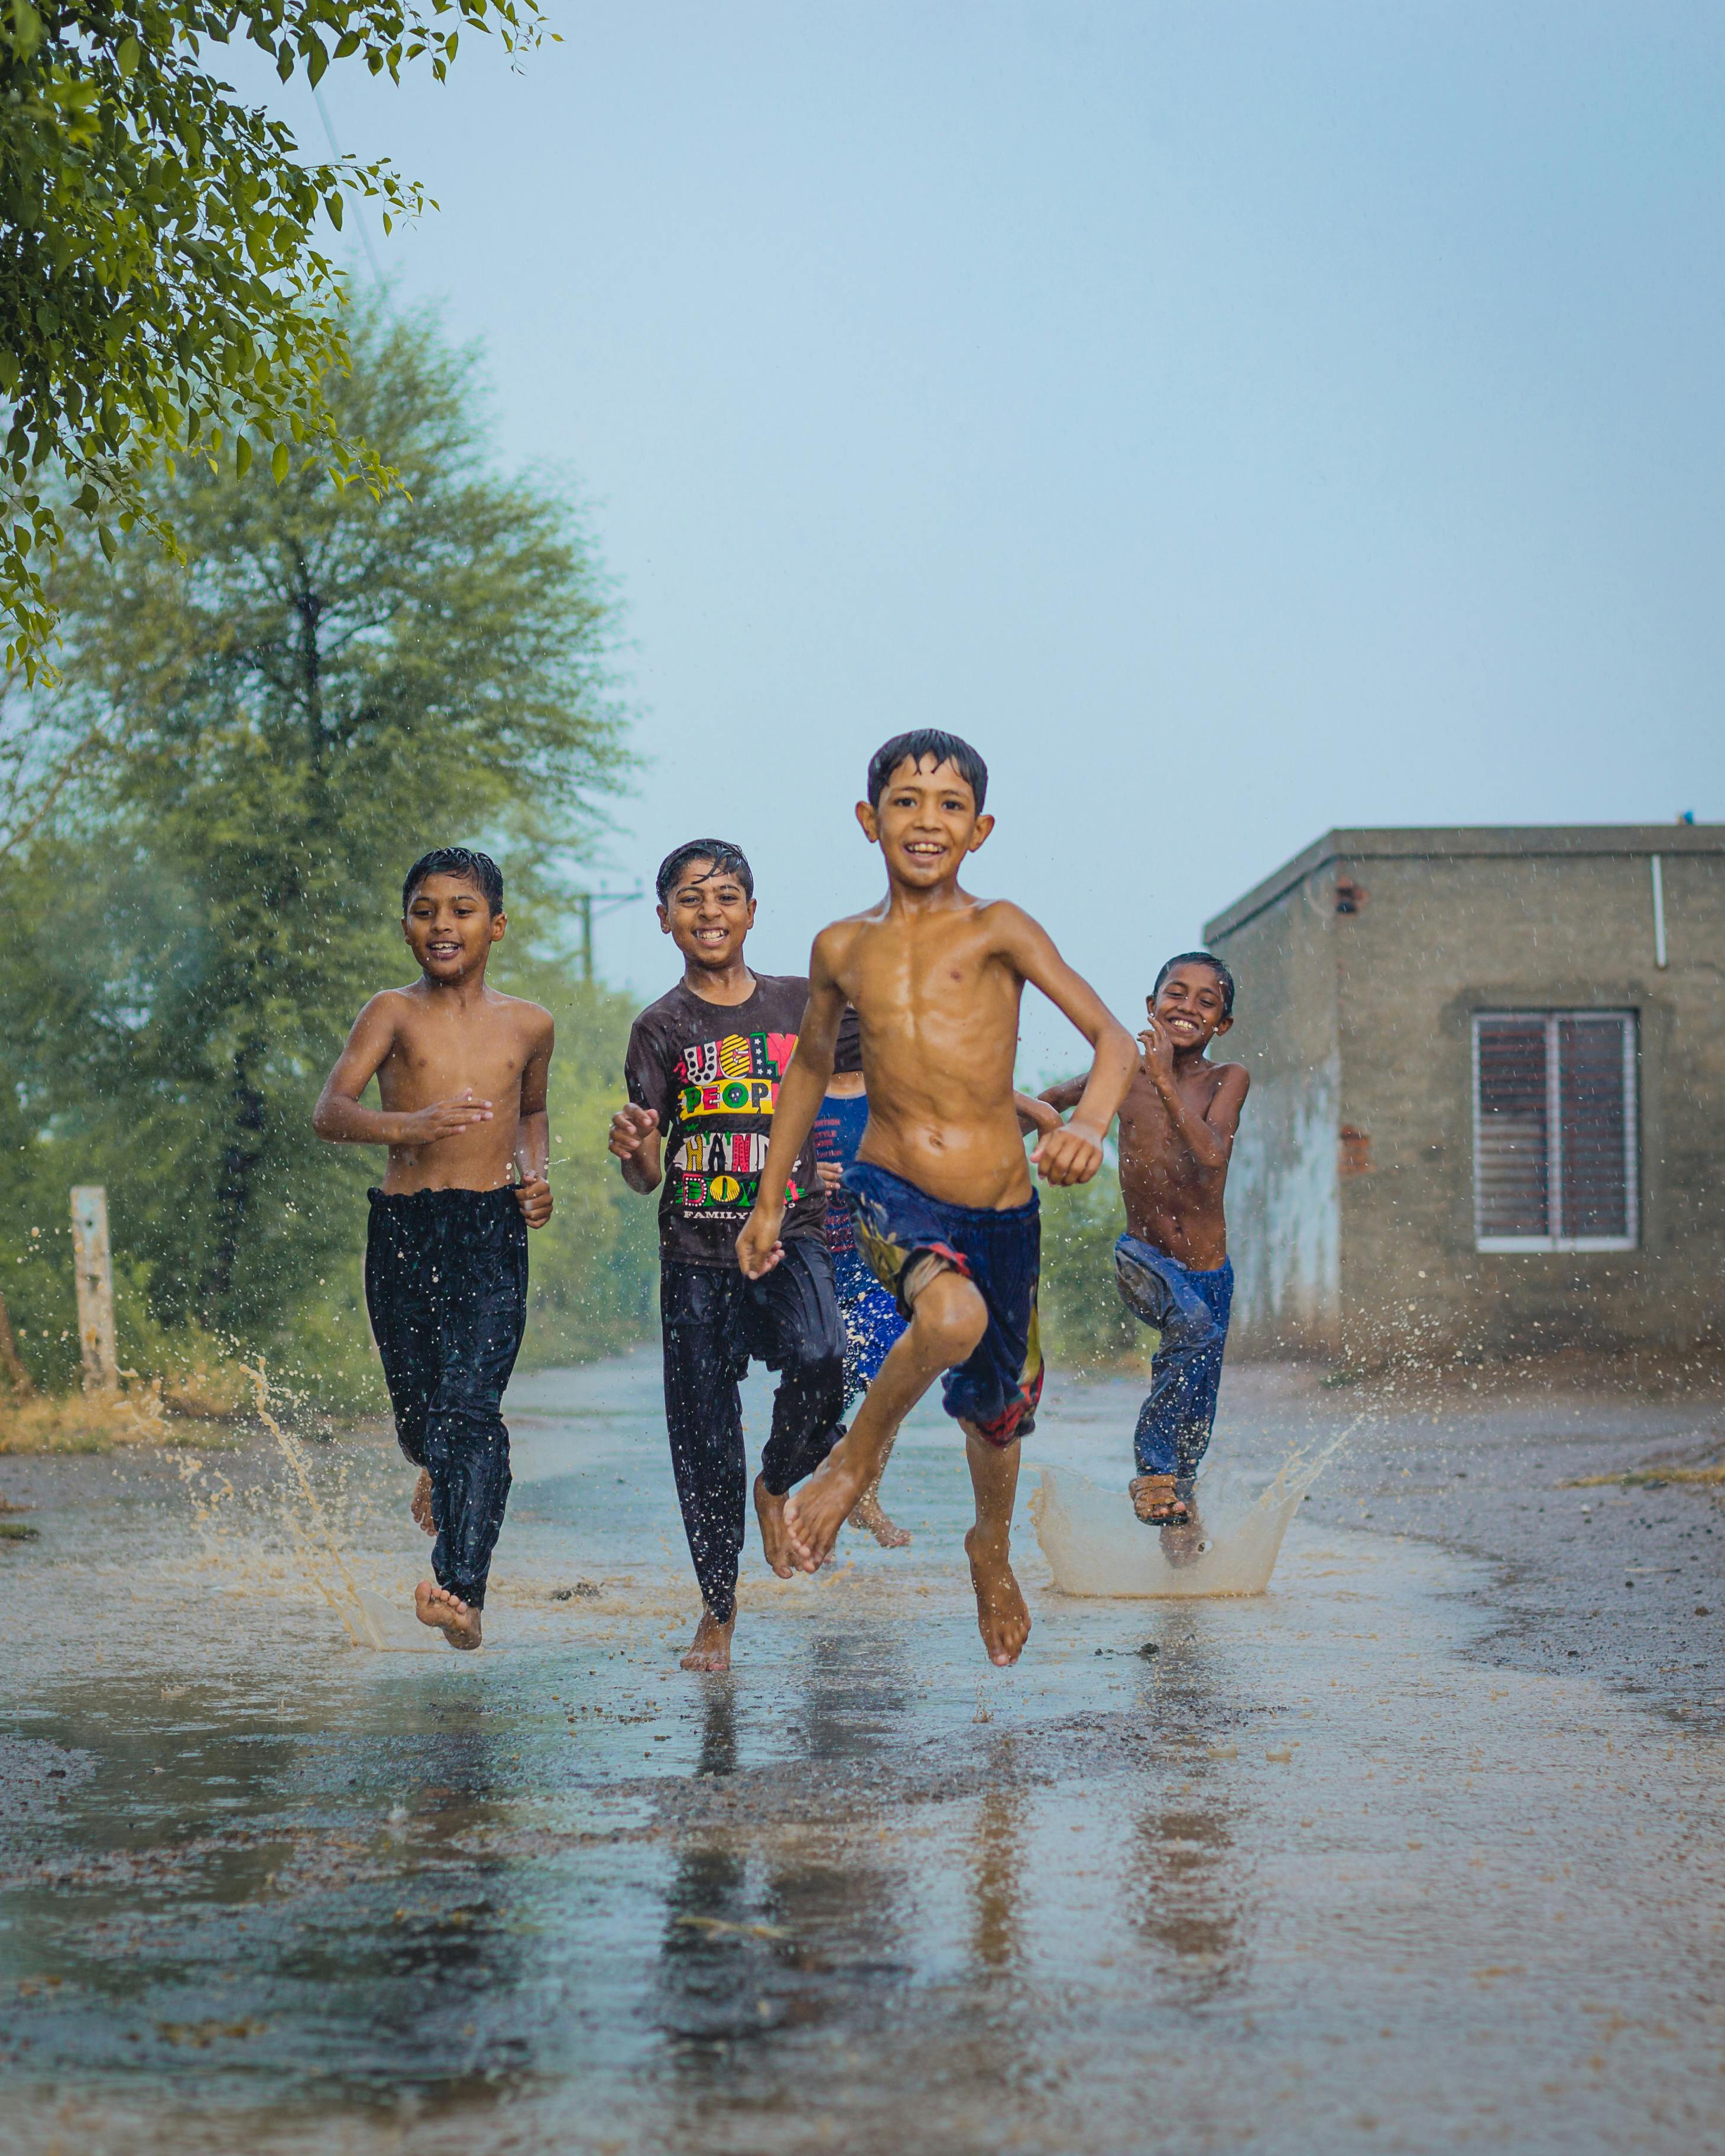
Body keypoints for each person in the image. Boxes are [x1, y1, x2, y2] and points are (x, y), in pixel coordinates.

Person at [735, 732, 1139, 1667]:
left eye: (949, 804)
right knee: (947, 1314)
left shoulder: (1002, 928)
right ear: (868, 818)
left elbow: (1113, 1039)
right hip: (890, 1188)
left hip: (1001, 1210)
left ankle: (987, 1546)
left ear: (980, 827)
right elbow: (803, 1074)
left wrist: (1087, 1127)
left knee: (995, 1417)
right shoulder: (841, 945)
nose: (926, 821)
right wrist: (769, 1199)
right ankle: (848, 1464)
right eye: (906, 801)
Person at [609, 839, 846, 1674]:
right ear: (665, 917)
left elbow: (885, 1073)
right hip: (696, 1249)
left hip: (795, 1231)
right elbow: (646, 1172)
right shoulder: (661, 1027)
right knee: (704, 1436)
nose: (710, 910)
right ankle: (717, 1606)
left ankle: (778, 1480)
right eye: (691, 897)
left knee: (824, 1360)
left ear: (752, 909)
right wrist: (633, 1147)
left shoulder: (801, 1004)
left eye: (728, 895)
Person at [312, 847, 555, 1650]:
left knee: (471, 1413)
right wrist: (406, 1127)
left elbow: (531, 1112)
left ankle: (460, 1588)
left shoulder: (529, 1023)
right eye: (425, 909)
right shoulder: (392, 1011)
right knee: (423, 1422)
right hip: (406, 1230)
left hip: (490, 1231)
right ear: (406, 924)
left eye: (461, 909)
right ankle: (436, 1463)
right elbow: (331, 1110)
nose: (442, 924)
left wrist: (534, 1176)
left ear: (496, 924)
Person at [1041, 952, 1248, 1532]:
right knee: (1192, 1328)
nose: (1187, 1006)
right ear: (1149, 1006)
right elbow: (1051, 1100)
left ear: (1221, 1024)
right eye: (1175, 993)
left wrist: (1160, 1079)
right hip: (1142, 1258)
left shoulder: (1226, 1078)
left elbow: (1211, 1155)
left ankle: (1175, 1526)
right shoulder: (1122, 1072)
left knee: (1196, 1421)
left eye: (1206, 1002)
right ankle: (1149, 1471)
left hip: (1209, 1273)